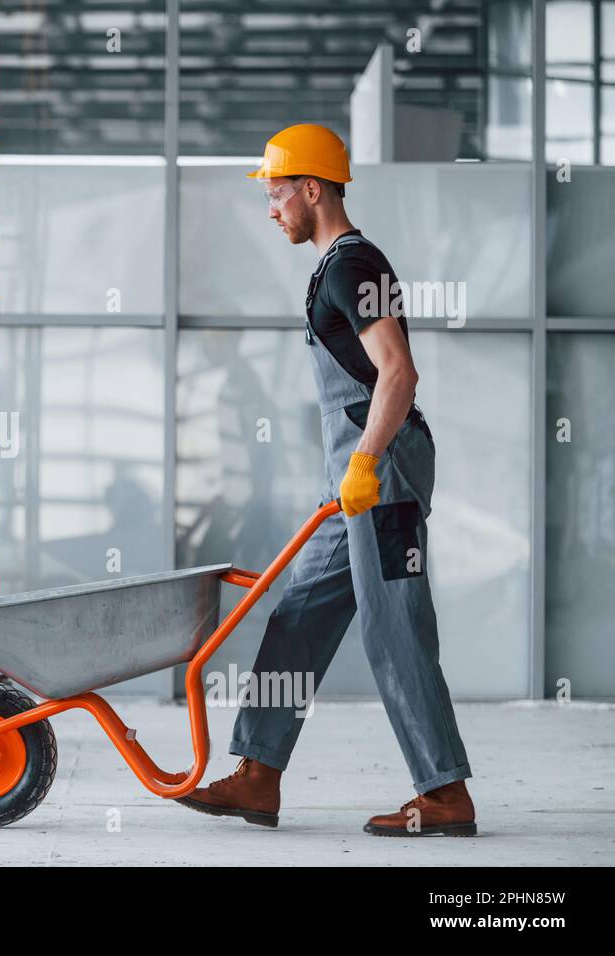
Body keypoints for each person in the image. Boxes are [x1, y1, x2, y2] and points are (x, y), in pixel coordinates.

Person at [178, 124, 476, 837]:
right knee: (300, 614)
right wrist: (354, 471)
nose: (271, 208)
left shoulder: (353, 265)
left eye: (278, 194)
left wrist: (368, 463)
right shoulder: (334, 267)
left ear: (313, 189)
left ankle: (445, 794)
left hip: (384, 473)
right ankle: (258, 775)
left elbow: (398, 373)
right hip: (355, 480)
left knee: (394, 629)